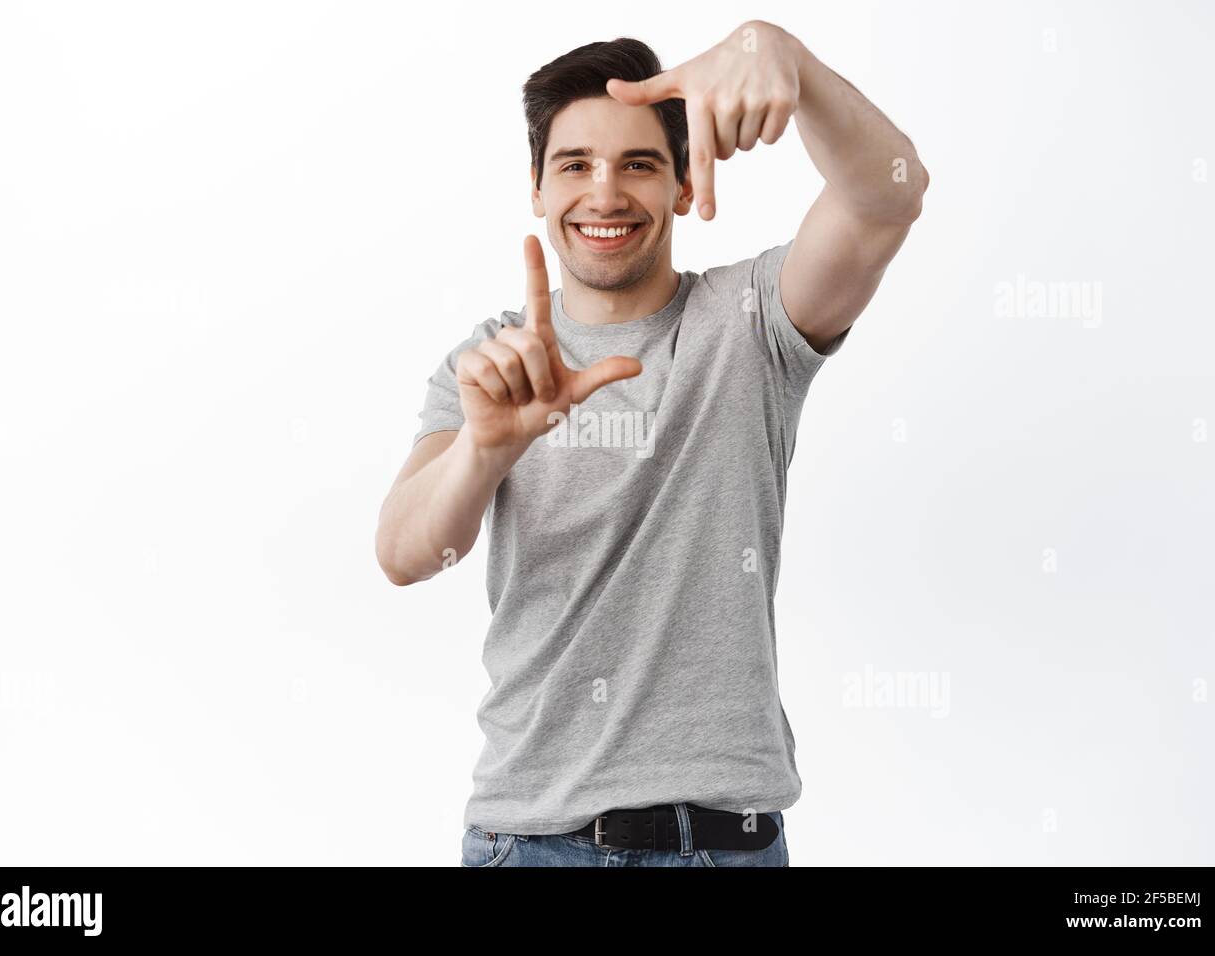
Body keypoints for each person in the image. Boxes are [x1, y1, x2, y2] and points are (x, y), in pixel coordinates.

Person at [375, 20, 928, 867]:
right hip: (529, 843)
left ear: (681, 184)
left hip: (725, 846)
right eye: (575, 165)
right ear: (535, 188)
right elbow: (406, 553)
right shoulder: (488, 365)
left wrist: (790, 60)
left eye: (638, 163)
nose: (604, 194)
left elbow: (889, 192)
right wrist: (485, 450)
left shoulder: (751, 324)